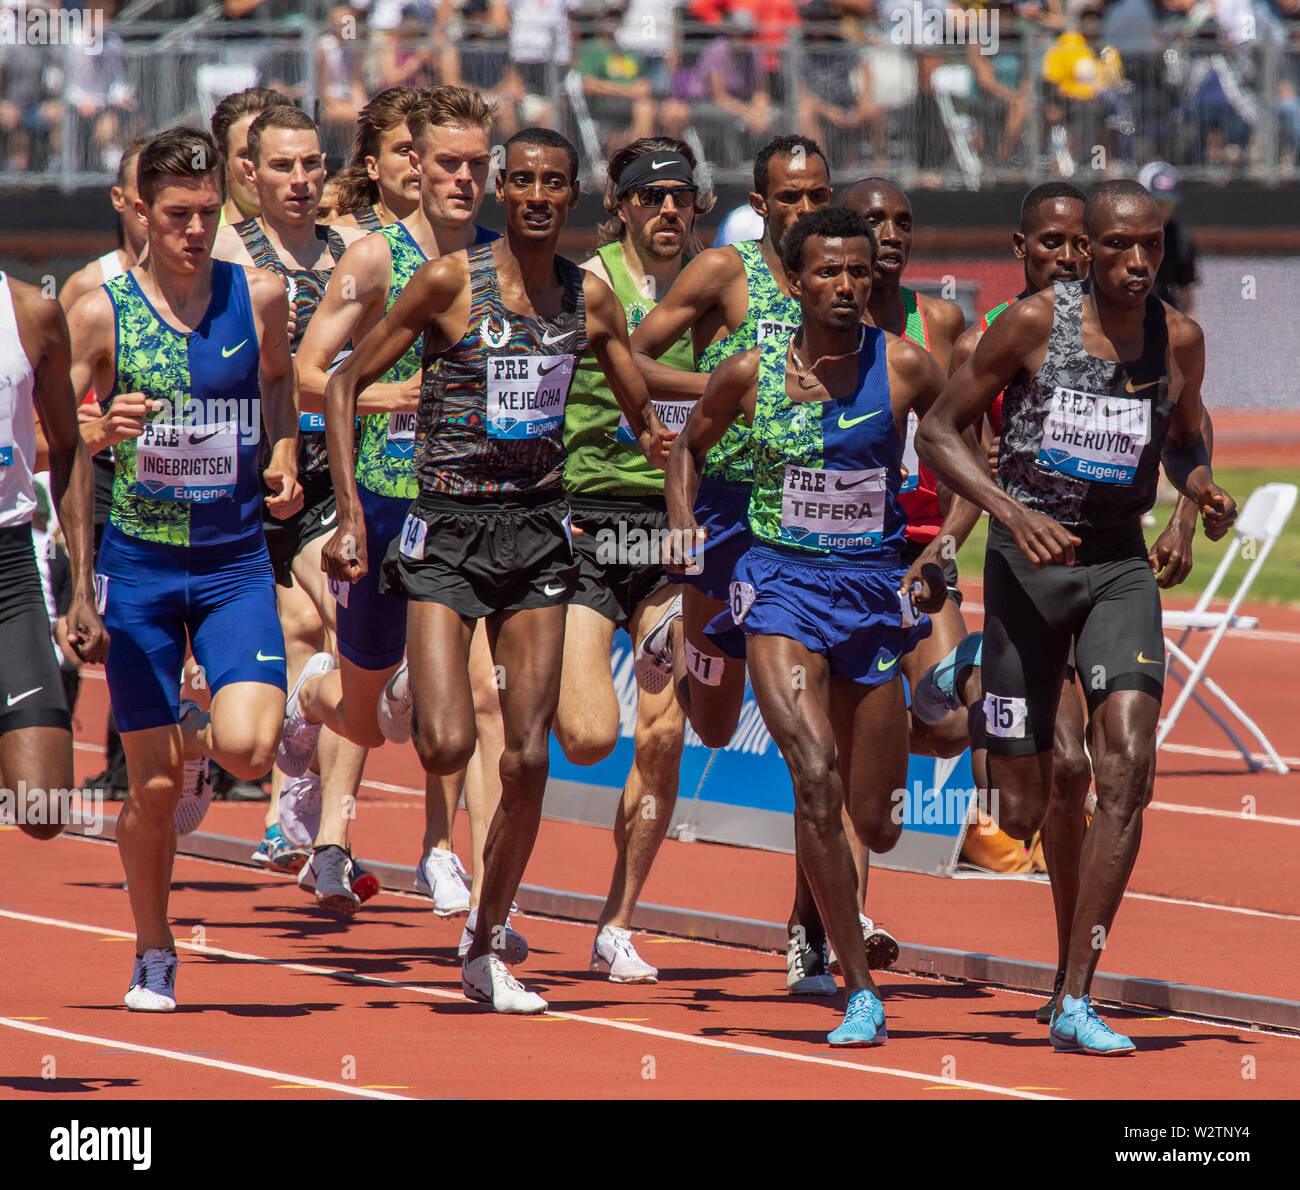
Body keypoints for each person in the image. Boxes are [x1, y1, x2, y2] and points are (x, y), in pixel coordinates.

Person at [320, 127, 669, 1014]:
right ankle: (403, 689)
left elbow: (644, 407)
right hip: (446, 531)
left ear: (574, 193)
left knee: (525, 755)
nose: (539, 196)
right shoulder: (449, 284)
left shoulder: (588, 300)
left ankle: (484, 942)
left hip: (539, 535)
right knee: (442, 742)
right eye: (523, 182)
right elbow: (343, 380)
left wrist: (711, 420)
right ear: (504, 194)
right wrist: (354, 515)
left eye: (556, 182)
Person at [916, 179, 1237, 1054]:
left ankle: (1076, 990)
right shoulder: (1027, 327)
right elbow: (939, 433)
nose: (1138, 264)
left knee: (1124, 767)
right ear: (1083, 252)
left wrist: (1193, 496)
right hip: (1027, 566)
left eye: (1152, 248)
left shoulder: (1180, 338)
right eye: (1118, 248)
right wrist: (1010, 512)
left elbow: (1185, 437)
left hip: (1116, 567)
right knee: (1024, 804)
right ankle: (977, 673)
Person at [666, 205, 947, 1045]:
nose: (846, 287)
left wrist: (945, 549)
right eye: (827, 272)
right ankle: (854, 984)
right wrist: (682, 521)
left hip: (871, 591)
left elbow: (965, 448)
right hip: (779, 583)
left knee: (879, 821)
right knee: (813, 774)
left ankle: (834, 917)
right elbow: (689, 450)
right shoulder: (749, 369)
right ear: (794, 280)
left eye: (859, 272)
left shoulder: (904, 368)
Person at [69, 125, 303, 1011]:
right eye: (177, 215)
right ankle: (155, 947)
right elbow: (66, 440)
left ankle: (201, 726)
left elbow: (279, 384)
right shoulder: (101, 308)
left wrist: (282, 451)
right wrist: (100, 431)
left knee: (249, 745)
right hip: (139, 571)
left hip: (235, 559)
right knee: (154, 789)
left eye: (207, 214)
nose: (195, 230)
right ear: (140, 212)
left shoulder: (260, 296)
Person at [630, 133, 838, 997]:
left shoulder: (846, 271)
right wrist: (719, 393)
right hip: (720, 512)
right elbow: (636, 355)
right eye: (787, 197)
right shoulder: (724, 272)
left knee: (810, 740)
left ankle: (815, 929)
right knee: (714, 724)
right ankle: (689, 627)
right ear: (760, 199)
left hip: (807, 527)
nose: (803, 210)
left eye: (816, 193)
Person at [293, 85, 506, 921]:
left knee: (483, 697)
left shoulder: (502, 259)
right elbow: (311, 378)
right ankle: (312, 690)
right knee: (366, 715)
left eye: (476, 164)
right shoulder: (375, 258)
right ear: (413, 164)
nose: (463, 179)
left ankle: (484, 911)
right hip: (383, 506)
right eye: (447, 162)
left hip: (476, 509)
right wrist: (397, 398)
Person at [557, 137, 709, 983]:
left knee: (663, 732)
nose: (665, 210)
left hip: (672, 532)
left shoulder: (715, 290)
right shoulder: (589, 286)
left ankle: (618, 921)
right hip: (588, 524)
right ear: (618, 208)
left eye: (679, 197)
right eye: (648, 198)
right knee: (586, 737)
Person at [211, 103, 371, 904]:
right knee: (246, 702)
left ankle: (331, 836)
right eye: (283, 166)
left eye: (313, 164)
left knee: (356, 626)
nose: (303, 180)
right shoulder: (219, 252)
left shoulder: (353, 253)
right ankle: (217, 736)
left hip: (320, 481)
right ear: (249, 173)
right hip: (230, 485)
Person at [0, 271, 108, 841]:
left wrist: (83, 592)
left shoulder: (31, 312)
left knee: (42, 807)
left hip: (7, 568)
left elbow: (67, 447)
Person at [60, 137, 149, 804]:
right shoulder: (89, 286)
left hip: (181, 482)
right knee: (115, 628)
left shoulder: (215, 282)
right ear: (122, 200)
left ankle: (167, 754)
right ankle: (125, 758)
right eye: (144, 196)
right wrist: (95, 433)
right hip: (108, 476)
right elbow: (54, 409)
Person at [330, 87, 424, 233]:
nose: (417, 162)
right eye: (405, 151)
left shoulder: (462, 237)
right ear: (372, 167)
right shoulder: (343, 236)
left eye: (426, 151)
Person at [210, 86, 296, 229]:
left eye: (278, 157)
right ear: (224, 163)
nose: (261, 166)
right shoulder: (201, 240)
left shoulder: (327, 244)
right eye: (248, 154)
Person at [1137, 161, 1196, 315]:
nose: (1163, 208)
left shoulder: (1179, 239)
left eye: (1168, 201)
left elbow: (1185, 292)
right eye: (1158, 201)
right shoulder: (1121, 234)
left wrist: (1189, 331)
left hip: (1162, 323)